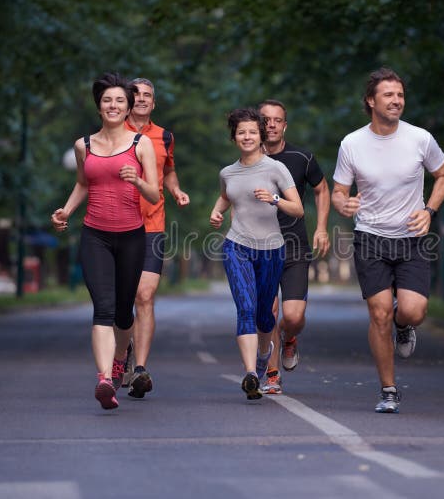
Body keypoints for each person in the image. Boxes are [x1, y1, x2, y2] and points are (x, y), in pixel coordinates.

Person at [331, 67, 444, 414]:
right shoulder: (352, 144)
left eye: (400, 95)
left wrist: (429, 210)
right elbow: (339, 192)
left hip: (411, 238)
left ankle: (404, 326)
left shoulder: (420, 139)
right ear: (371, 101)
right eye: (389, 95)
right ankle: (389, 390)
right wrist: (343, 204)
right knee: (379, 313)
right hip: (370, 237)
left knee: (413, 311)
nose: (397, 100)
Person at [51, 72, 160, 410]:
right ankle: (104, 380)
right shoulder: (83, 145)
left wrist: (137, 181)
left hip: (131, 237)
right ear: (99, 107)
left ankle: (120, 358)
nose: (113, 105)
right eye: (107, 100)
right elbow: (83, 183)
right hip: (94, 235)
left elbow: (154, 194)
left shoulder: (140, 144)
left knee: (124, 313)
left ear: (128, 108)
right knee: (103, 308)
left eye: (119, 101)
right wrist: (66, 210)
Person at [210, 108, 304, 400]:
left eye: (252, 132)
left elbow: (298, 209)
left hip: (271, 249)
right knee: (246, 308)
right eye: (241, 132)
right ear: (234, 137)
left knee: (265, 315)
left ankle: (265, 352)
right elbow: (226, 196)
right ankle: (251, 373)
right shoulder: (227, 172)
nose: (247, 137)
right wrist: (216, 212)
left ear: (261, 135)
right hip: (237, 246)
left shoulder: (275, 168)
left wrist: (275, 199)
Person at [122, 77, 190, 399]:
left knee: (145, 295)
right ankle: (122, 351)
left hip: (152, 225)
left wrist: (175, 190)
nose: (141, 99)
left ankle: (140, 368)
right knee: (122, 300)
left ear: (154, 102)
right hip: (118, 224)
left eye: (147, 95)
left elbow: (168, 171)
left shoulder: (164, 136)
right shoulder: (113, 133)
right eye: (135, 95)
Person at [257, 99, 331, 395]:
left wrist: (322, 227)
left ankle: (290, 338)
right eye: (266, 120)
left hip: (294, 247)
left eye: (277, 120)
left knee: (293, 317)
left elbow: (321, 189)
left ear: (285, 126)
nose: (271, 125)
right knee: (269, 312)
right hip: (260, 246)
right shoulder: (248, 159)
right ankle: (272, 375)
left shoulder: (302, 158)